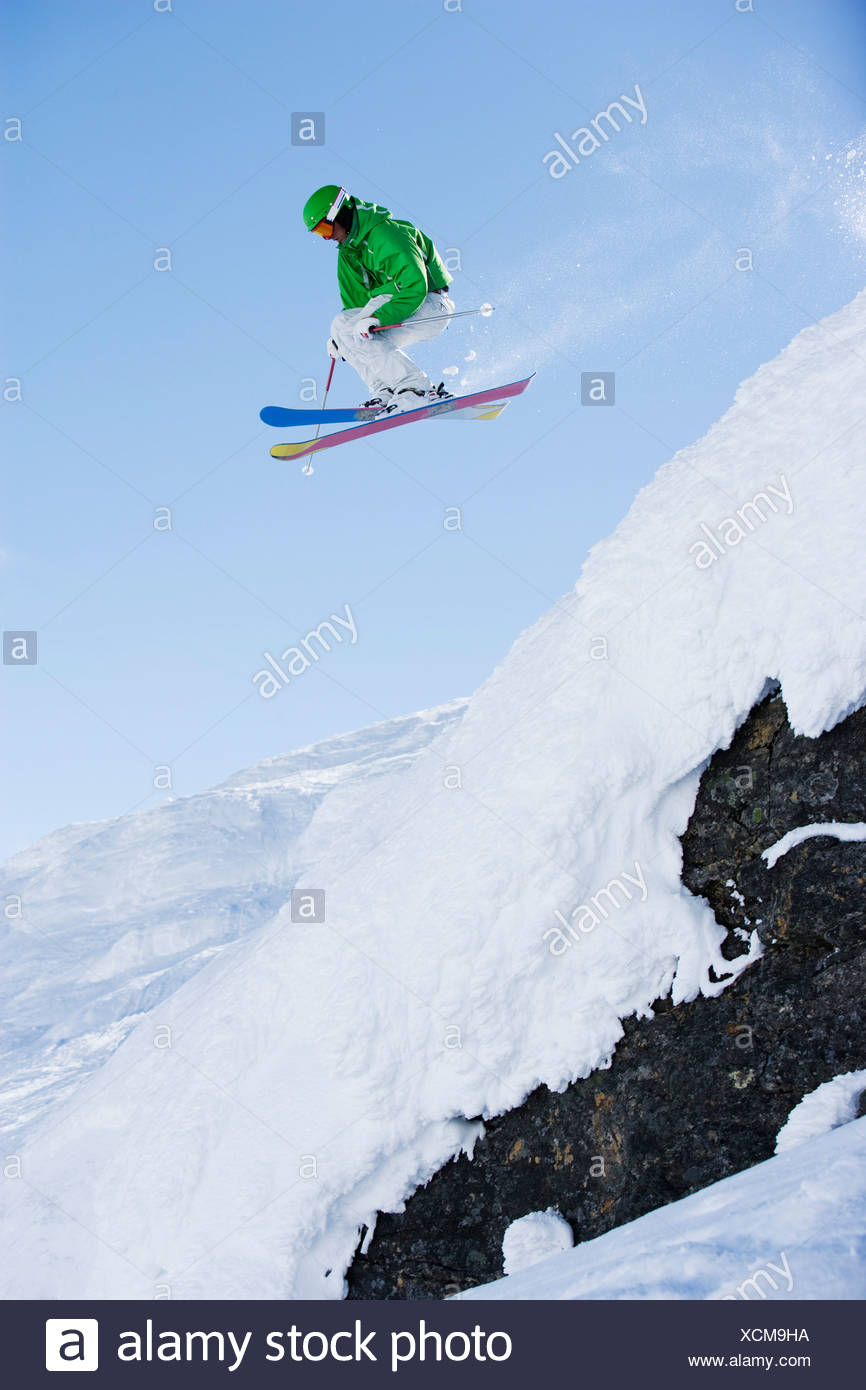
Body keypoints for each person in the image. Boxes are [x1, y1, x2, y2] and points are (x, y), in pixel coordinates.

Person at [303, 185, 456, 415]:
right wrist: (340, 340)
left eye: (325, 227)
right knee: (340, 325)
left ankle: (416, 388)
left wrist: (377, 318)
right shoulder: (347, 254)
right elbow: (355, 307)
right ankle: (385, 389)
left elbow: (414, 285)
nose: (326, 237)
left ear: (341, 213)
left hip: (429, 305)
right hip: (394, 307)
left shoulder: (385, 234)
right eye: (318, 233)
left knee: (354, 331)